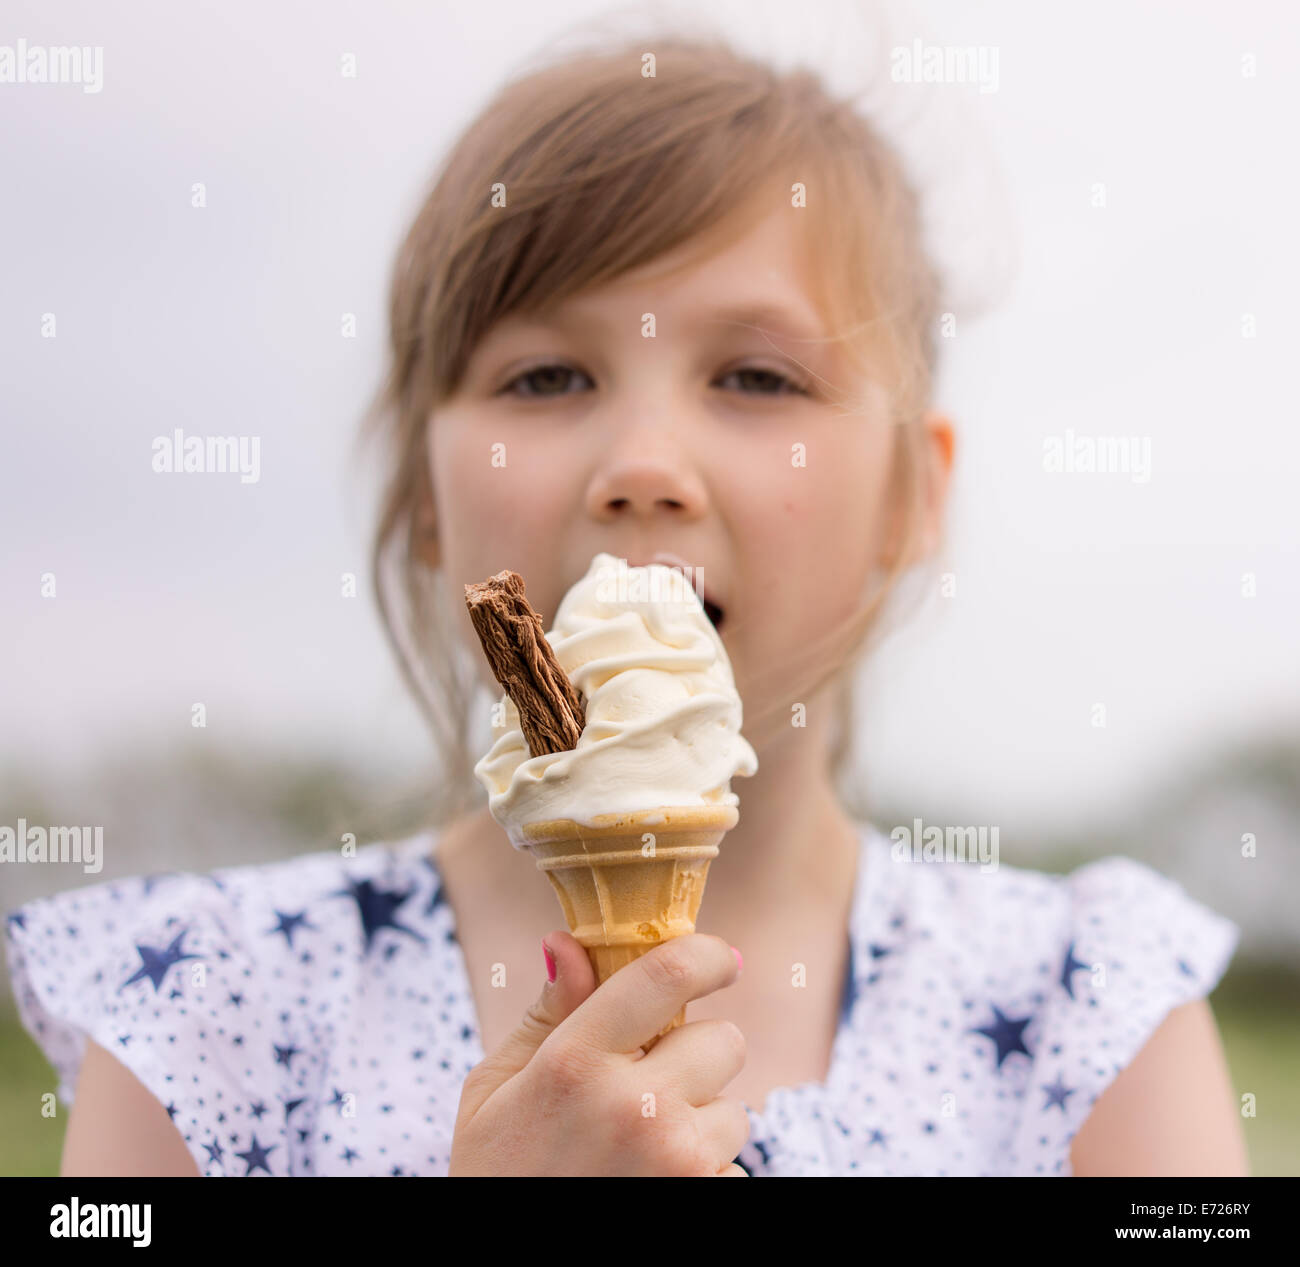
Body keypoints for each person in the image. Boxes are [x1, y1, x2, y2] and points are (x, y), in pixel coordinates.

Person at [5, 32, 1247, 1178]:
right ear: (425, 492)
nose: (642, 464)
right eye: (545, 375)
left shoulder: (1086, 1022)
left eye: (757, 376)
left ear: (909, 498)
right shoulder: (204, 1015)